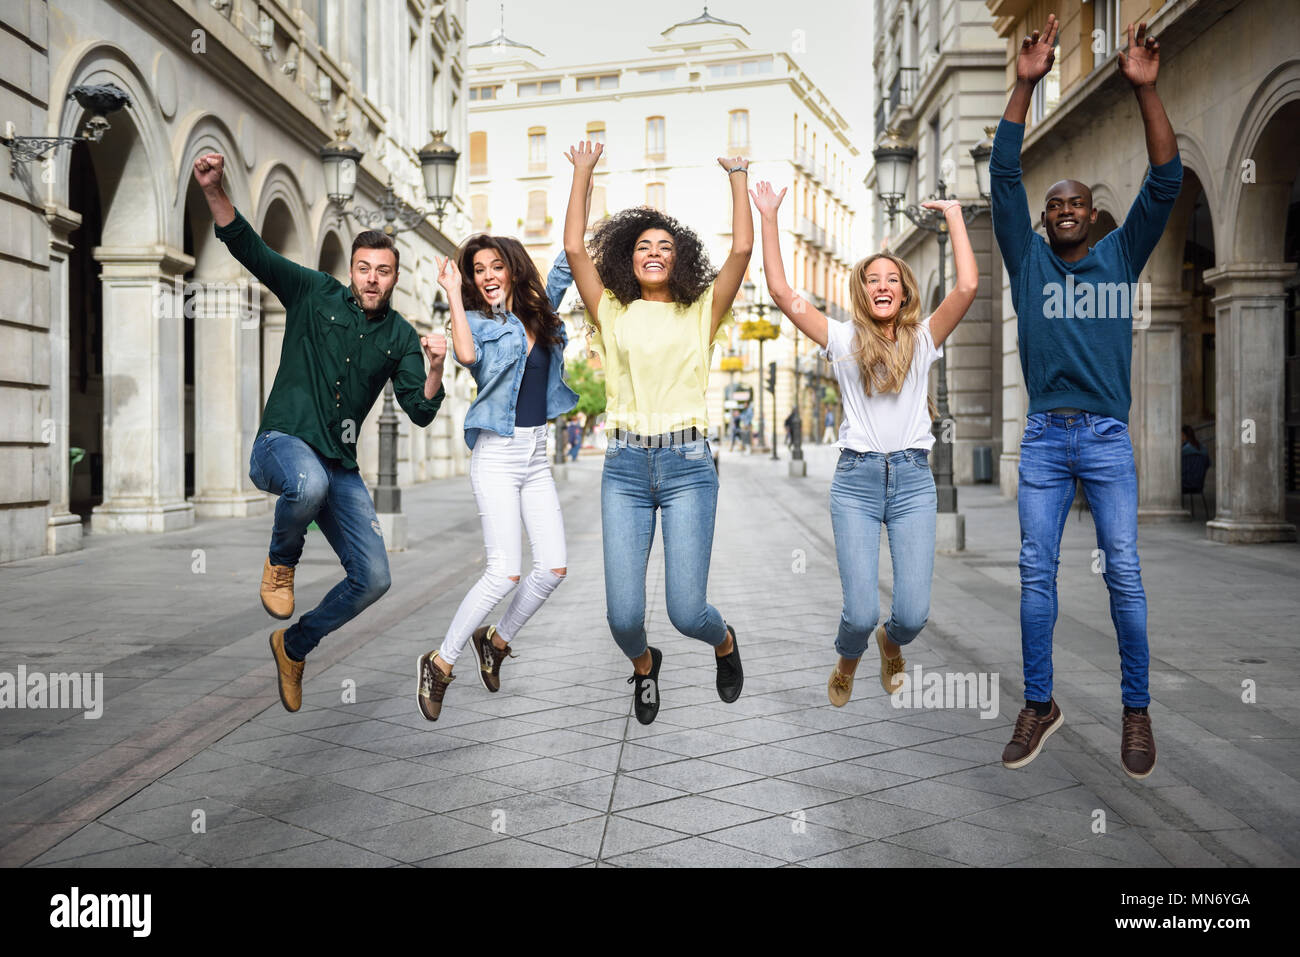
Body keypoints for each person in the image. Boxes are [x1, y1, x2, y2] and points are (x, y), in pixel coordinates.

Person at [991, 16, 1181, 778]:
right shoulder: (1027, 262)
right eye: (1054, 203)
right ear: (1042, 221)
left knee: (1124, 570)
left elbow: (1165, 180)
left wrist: (1146, 91)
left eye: (1077, 202)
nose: (1064, 208)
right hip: (1043, 437)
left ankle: (1136, 712)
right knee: (1036, 569)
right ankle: (1040, 704)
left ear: (1094, 216)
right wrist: (1025, 84)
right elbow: (1004, 177)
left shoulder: (1120, 256)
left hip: (1104, 437)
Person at [193, 152, 448, 714]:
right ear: (352, 269)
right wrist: (215, 188)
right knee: (306, 484)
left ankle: (294, 644)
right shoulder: (313, 292)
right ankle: (281, 564)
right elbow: (250, 248)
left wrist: (433, 368)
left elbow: (421, 411)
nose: (372, 278)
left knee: (374, 579)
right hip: (282, 445)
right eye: (364, 268)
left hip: (338, 465)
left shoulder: (402, 337)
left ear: (395, 276)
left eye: (383, 271)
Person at [751, 181, 976, 707]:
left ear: (903, 290)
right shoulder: (841, 339)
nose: (882, 286)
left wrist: (955, 215)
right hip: (856, 481)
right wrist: (768, 215)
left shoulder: (924, 339)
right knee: (858, 611)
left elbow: (966, 287)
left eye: (891, 279)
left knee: (913, 613)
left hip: (915, 483)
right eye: (872, 279)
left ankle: (890, 645)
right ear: (862, 290)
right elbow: (783, 293)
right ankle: (848, 659)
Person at [563, 139, 748, 724]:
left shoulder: (700, 313)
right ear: (628, 256)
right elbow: (572, 246)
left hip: (689, 466)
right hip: (623, 469)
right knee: (622, 617)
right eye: (643, 245)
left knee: (687, 610)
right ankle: (644, 665)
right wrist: (585, 173)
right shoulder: (611, 311)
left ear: (679, 259)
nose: (653, 252)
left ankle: (724, 643)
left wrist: (738, 176)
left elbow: (742, 250)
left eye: (665, 246)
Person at [414, 236, 580, 721]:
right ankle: (440, 662)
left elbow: (569, 254)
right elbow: (465, 356)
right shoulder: (478, 323)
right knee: (504, 571)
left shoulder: (539, 310)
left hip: (536, 455)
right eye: (477, 270)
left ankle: (496, 640)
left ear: (512, 270)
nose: (487, 275)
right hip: (497, 457)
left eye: (495, 266)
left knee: (552, 568)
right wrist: (451, 289)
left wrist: (584, 175)